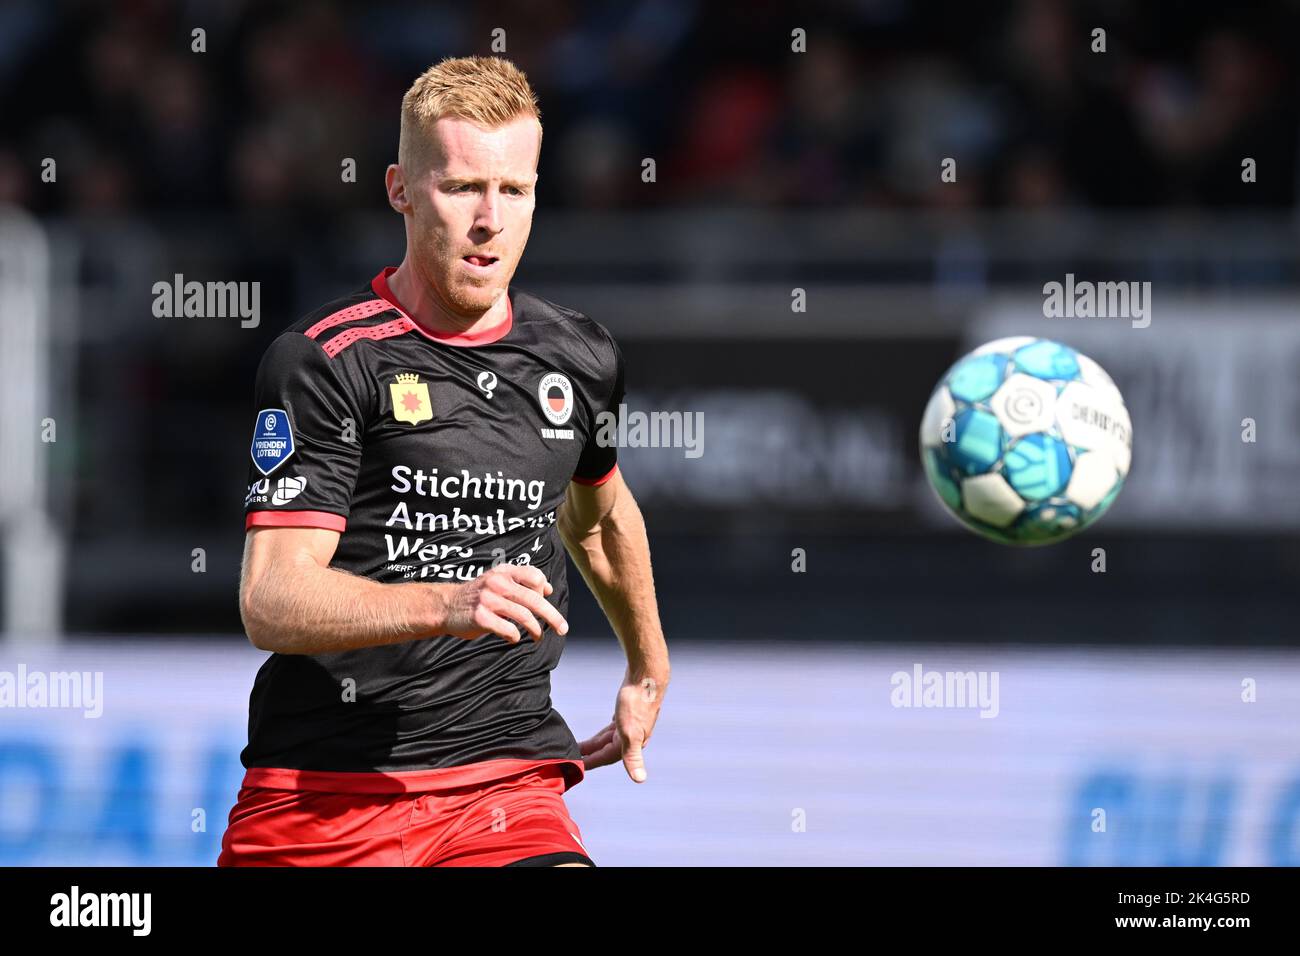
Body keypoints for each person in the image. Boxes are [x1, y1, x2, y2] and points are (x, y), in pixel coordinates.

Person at [218, 55, 668, 867]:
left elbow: (597, 520)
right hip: (323, 798)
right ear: (400, 189)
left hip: (505, 788)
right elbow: (271, 600)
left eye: (514, 190)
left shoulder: (579, 355)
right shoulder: (326, 361)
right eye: (462, 189)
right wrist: (449, 602)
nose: (490, 220)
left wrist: (648, 664)